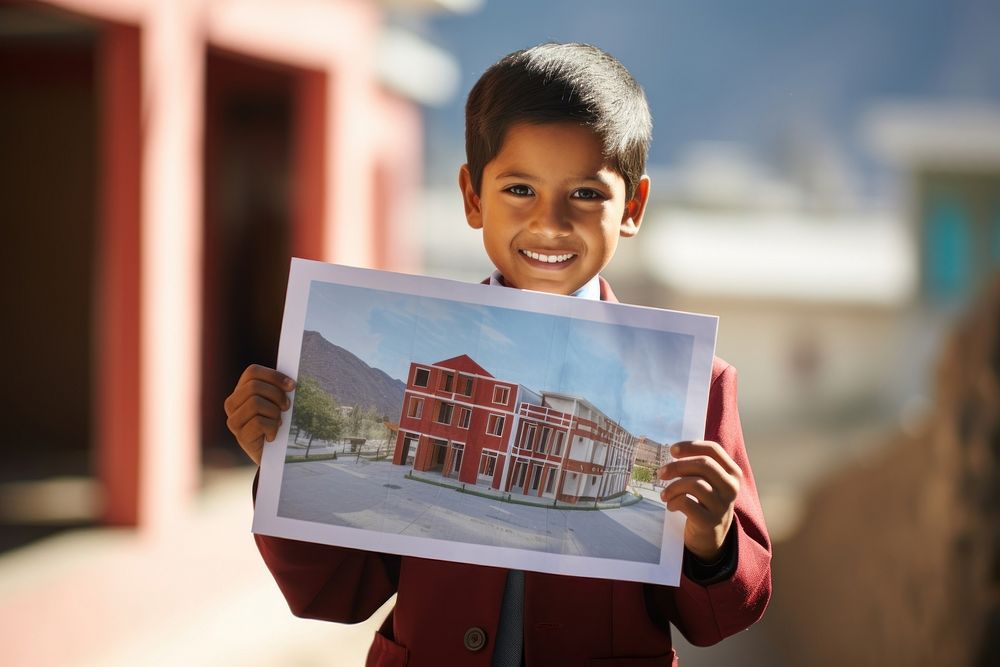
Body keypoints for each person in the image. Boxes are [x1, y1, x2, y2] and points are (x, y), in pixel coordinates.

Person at [224, 43, 771, 666]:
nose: (550, 223)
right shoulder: (427, 346)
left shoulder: (698, 384)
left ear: (633, 207)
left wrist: (712, 542)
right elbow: (335, 593)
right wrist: (280, 468)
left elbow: (725, 615)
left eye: (586, 194)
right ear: (472, 196)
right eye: (519, 188)